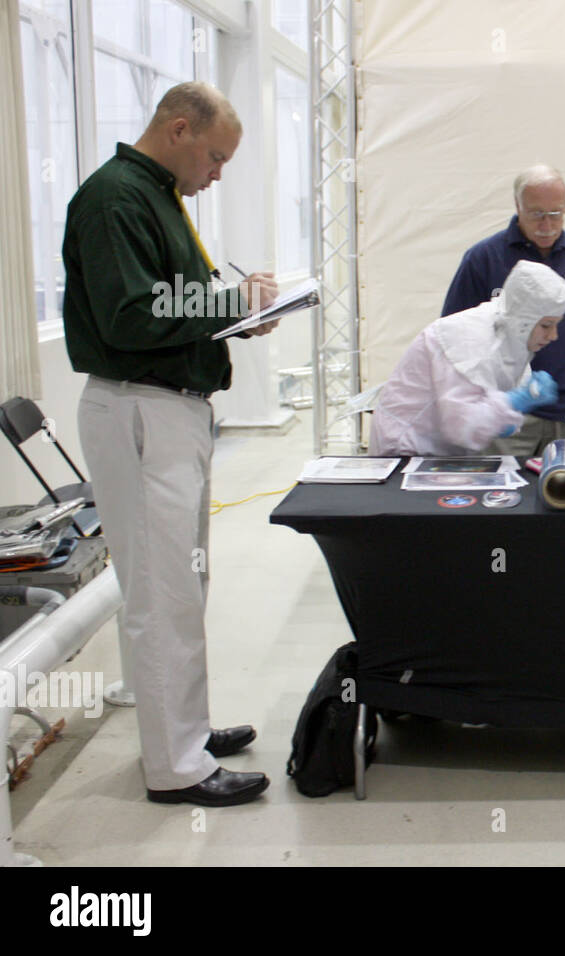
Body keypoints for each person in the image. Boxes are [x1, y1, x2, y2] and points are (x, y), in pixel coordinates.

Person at [63, 82, 281, 807]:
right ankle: (177, 766)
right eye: (215, 157)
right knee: (163, 593)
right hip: (141, 409)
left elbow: (171, 300)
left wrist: (240, 311)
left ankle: (180, 730)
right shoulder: (116, 198)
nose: (217, 173)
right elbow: (131, 315)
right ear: (179, 129)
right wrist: (231, 305)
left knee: (180, 585)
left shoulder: (155, 195)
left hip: (169, 410)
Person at [442, 165, 565, 456]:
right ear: (518, 206)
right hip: (507, 417)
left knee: (563, 494)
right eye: (537, 214)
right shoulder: (483, 258)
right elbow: (451, 334)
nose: (547, 225)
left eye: (556, 214)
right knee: (502, 496)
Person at [370, 261, 565, 456]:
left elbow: (489, 402)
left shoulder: (508, 333)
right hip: (405, 447)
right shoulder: (469, 338)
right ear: (525, 320)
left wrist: (508, 414)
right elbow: (461, 426)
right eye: (546, 325)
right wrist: (514, 402)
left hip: (436, 450)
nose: (553, 336)